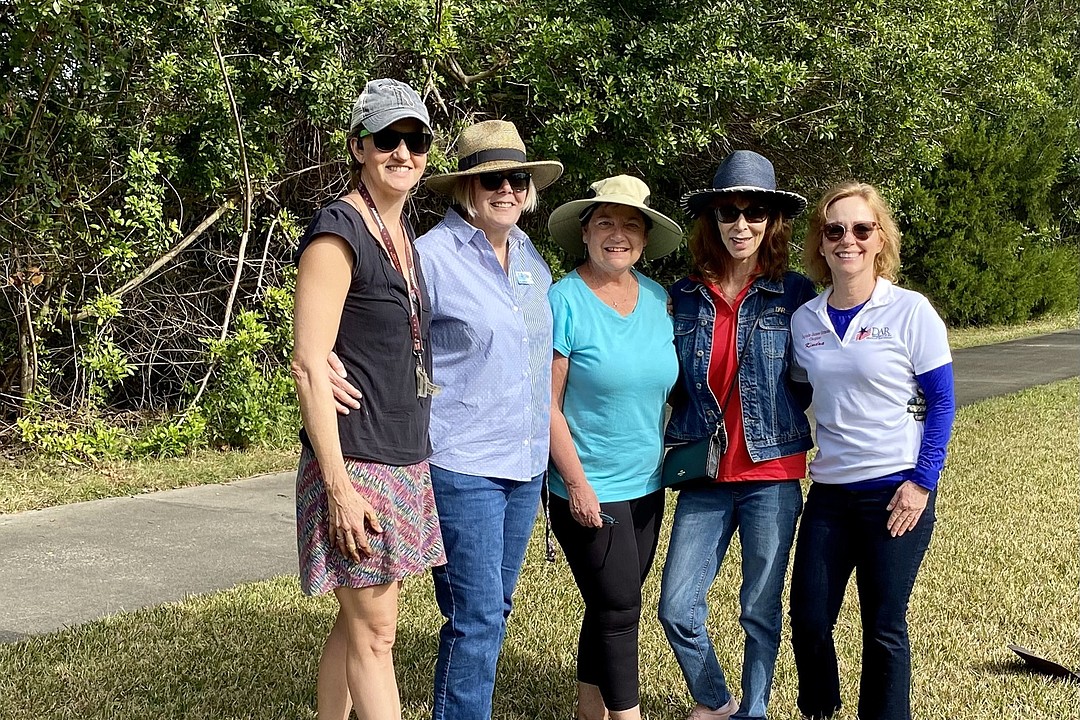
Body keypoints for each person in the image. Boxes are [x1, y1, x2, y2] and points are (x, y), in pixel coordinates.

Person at [330, 119, 563, 720]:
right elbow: (369, 324)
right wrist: (321, 359)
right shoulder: (430, 255)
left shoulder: (533, 260)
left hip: (525, 462)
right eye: (491, 180)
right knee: (477, 617)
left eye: (515, 178)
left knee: (494, 609)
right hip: (464, 464)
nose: (505, 190)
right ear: (467, 188)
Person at [290, 78, 446, 720]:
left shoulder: (402, 236)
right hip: (356, 463)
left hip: (401, 456)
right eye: (388, 139)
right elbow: (307, 361)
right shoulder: (340, 230)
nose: (402, 152)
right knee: (377, 634)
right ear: (359, 146)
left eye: (415, 140)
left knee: (358, 623)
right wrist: (340, 488)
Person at [658, 150, 817, 720]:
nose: (741, 225)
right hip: (705, 473)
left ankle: (754, 710)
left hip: (771, 474)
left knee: (758, 607)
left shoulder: (795, 294)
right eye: (729, 212)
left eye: (755, 213)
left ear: (773, 221)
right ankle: (715, 699)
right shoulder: (681, 297)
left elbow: (829, 369)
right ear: (713, 220)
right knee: (676, 606)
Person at [788, 182, 955, 720]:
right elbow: (797, 393)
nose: (848, 240)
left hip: (894, 491)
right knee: (809, 617)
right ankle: (820, 706)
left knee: (883, 625)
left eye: (862, 229)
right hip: (830, 492)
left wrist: (921, 483)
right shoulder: (805, 321)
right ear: (821, 241)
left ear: (879, 239)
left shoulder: (910, 311)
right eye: (835, 230)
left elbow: (942, 402)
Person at [546, 175, 683, 720]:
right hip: (588, 485)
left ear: (645, 239)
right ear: (584, 232)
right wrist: (578, 484)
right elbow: (545, 403)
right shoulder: (564, 299)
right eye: (605, 221)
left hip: (647, 483)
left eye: (630, 224)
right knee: (622, 607)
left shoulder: (658, 299)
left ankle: (587, 710)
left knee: (606, 605)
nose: (617, 234)